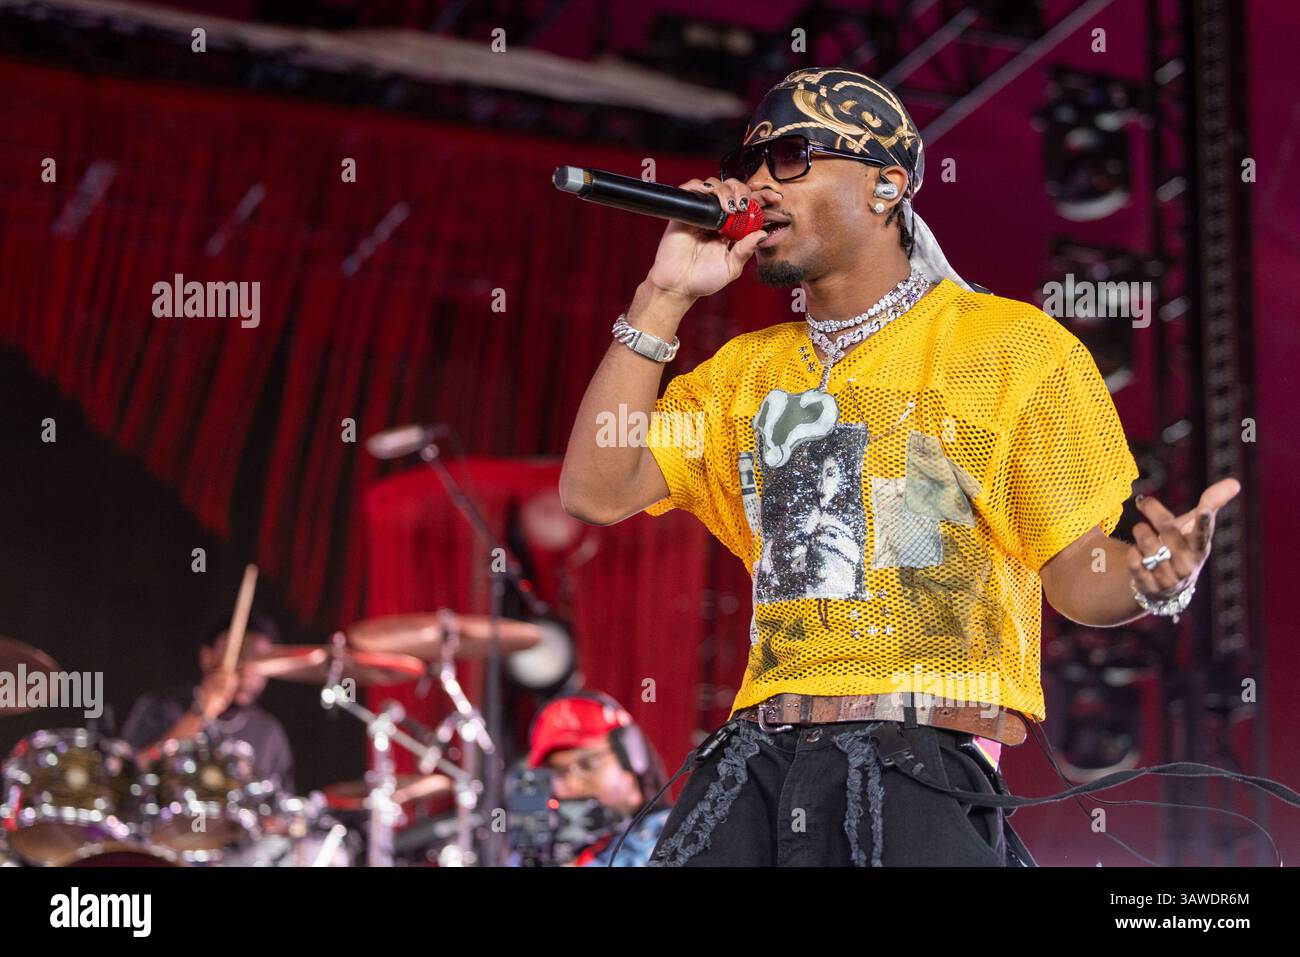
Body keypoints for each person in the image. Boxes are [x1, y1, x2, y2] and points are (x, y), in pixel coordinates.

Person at [559, 67, 1240, 866]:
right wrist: (663, 297)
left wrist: (1155, 577)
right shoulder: (743, 372)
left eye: (791, 156)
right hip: (758, 756)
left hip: (920, 754)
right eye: (751, 161)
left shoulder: (1008, 349)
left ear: (888, 184)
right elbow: (595, 491)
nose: (756, 183)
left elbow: (1075, 569)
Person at [121, 612, 294, 788]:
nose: (248, 668)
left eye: (260, 658)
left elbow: (278, 807)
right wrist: (202, 711)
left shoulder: (270, 733)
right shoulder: (163, 707)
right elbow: (129, 773)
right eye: (239, 653)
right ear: (207, 656)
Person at [524, 690, 671, 866]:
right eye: (559, 772)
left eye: (588, 763)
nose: (572, 784)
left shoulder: (677, 833)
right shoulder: (542, 849)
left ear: (632, 754)